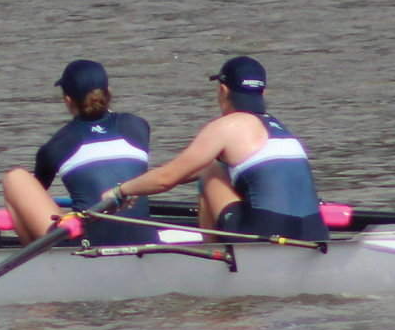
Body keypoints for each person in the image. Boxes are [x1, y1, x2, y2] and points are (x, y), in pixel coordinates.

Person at [110, 56, 330, 241]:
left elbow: (166, 178)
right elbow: (182, 173)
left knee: (209, 169)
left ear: (224, 91)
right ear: (262, 93)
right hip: (315, 234)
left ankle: (214, 257)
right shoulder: (285, 133)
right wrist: (140, 186)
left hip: (265, 235)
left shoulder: (226, 127)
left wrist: (121, 190)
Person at [1, 60, 156, 246]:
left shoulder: (58, 144)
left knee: (15, 179)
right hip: (146, 240)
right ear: (108, 91)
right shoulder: (138, 126)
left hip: (89, 247)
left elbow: (36, 193)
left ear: (68, 99)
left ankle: (34, 260)